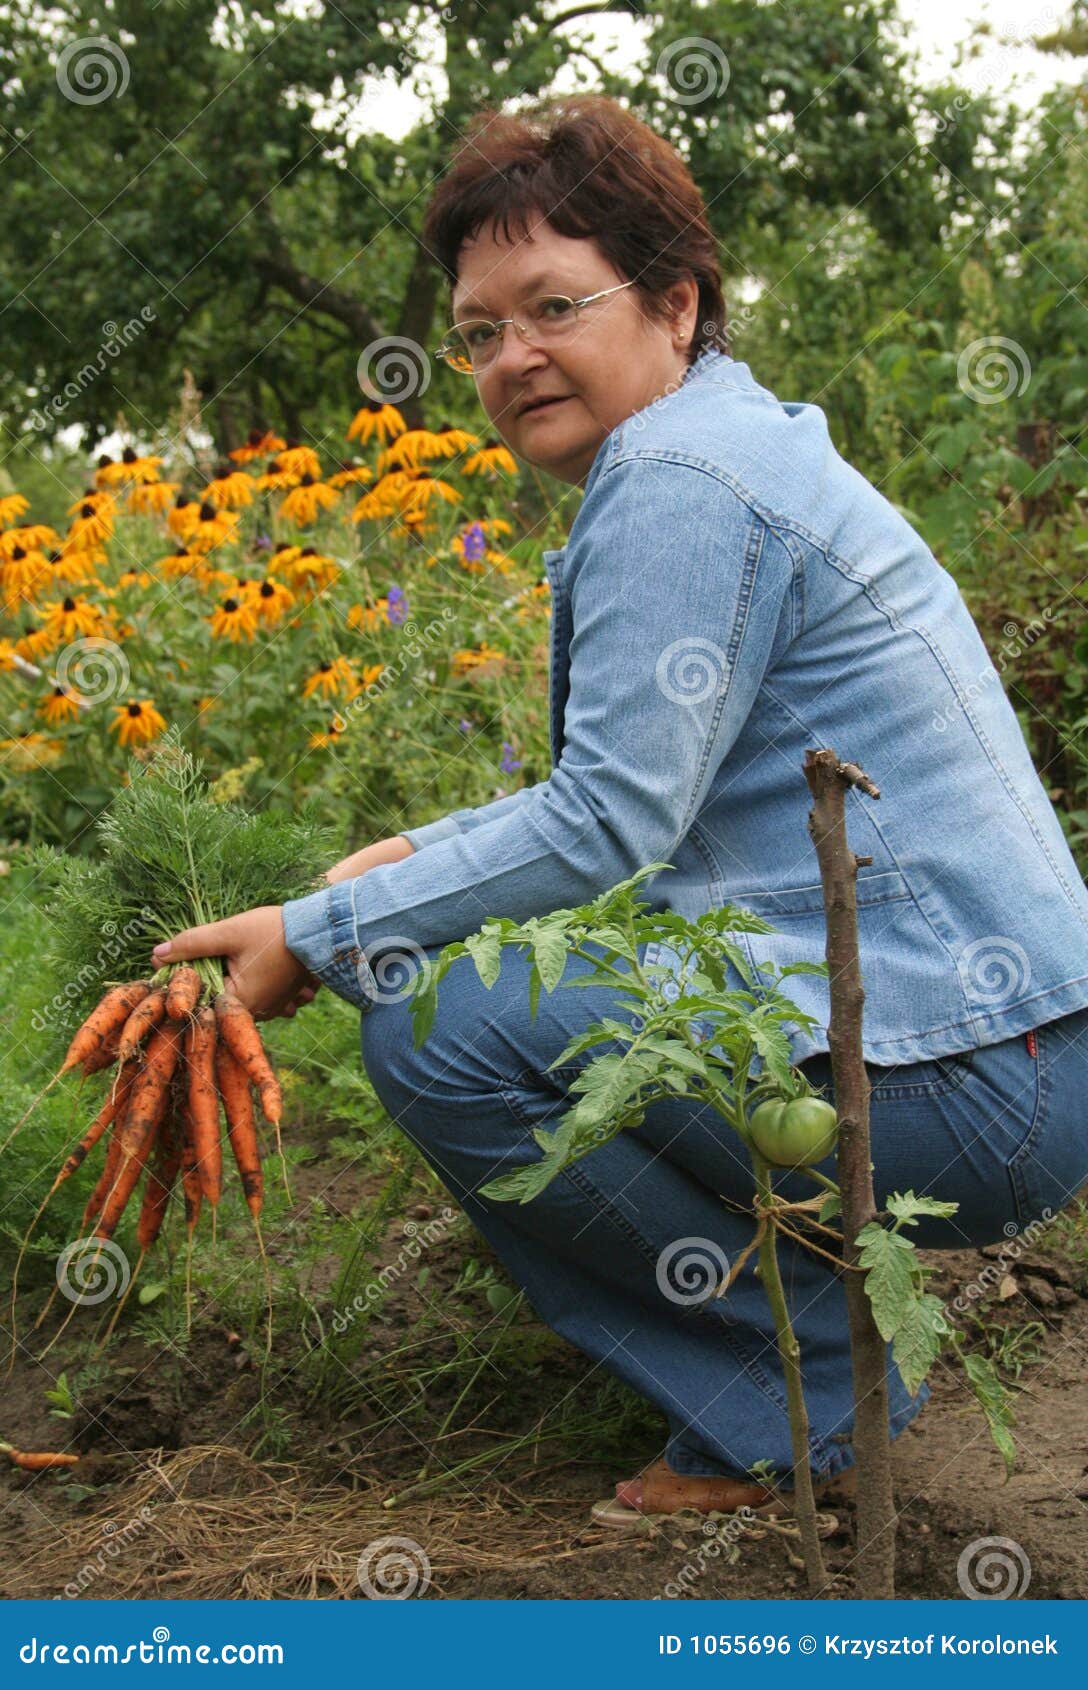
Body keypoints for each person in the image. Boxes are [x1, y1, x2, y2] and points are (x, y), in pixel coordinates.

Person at [154, 94, 1088, 1530]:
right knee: (471, 986)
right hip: (1014, 1053)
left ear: (675, 301)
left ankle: (807, 1399)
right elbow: (628, 790)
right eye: (479, 331)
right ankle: (796, 1352)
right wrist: (415, 856)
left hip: (964, 1078)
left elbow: (604, 827)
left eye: (553, 306)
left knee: (437, 1020)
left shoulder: (677, 476)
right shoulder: (726, 443)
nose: (511, 356)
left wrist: (326, 934)